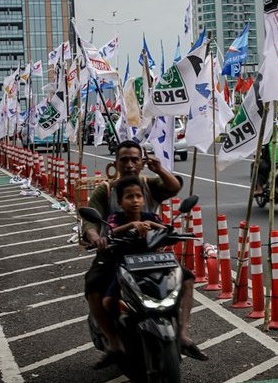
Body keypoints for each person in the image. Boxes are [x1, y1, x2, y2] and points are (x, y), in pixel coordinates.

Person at [81, 140, 207, 368]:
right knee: (94, 285)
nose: (129, 164)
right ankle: (113, 342)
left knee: (186, 278)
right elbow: (90, 221)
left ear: (142, 162)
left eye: (134, 159)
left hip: (151, 254)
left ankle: (183, 334)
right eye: (124, 160)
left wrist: (158, 169)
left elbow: (174, 187)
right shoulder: (107, 189)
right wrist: (96, 237)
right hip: (115, 253)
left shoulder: (150, 185)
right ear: (116, 162)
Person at [100, 176, 165, 313]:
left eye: (138, 196)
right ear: (120, 202)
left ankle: (181, 330)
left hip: (152, 264)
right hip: (125, 267)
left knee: (181, 284)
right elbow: (110, 232)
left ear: (143, 199)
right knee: (107, 301)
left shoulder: (151, 217)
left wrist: (152, 225)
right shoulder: (116, 218)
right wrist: (131, 225)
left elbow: (165, 230)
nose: (135, 200)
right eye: (129, 197)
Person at [253, 122, 278, 196]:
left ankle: (259, 188)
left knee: (256, 166)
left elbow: (261, 149)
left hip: (273, 161)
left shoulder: (268, 135)